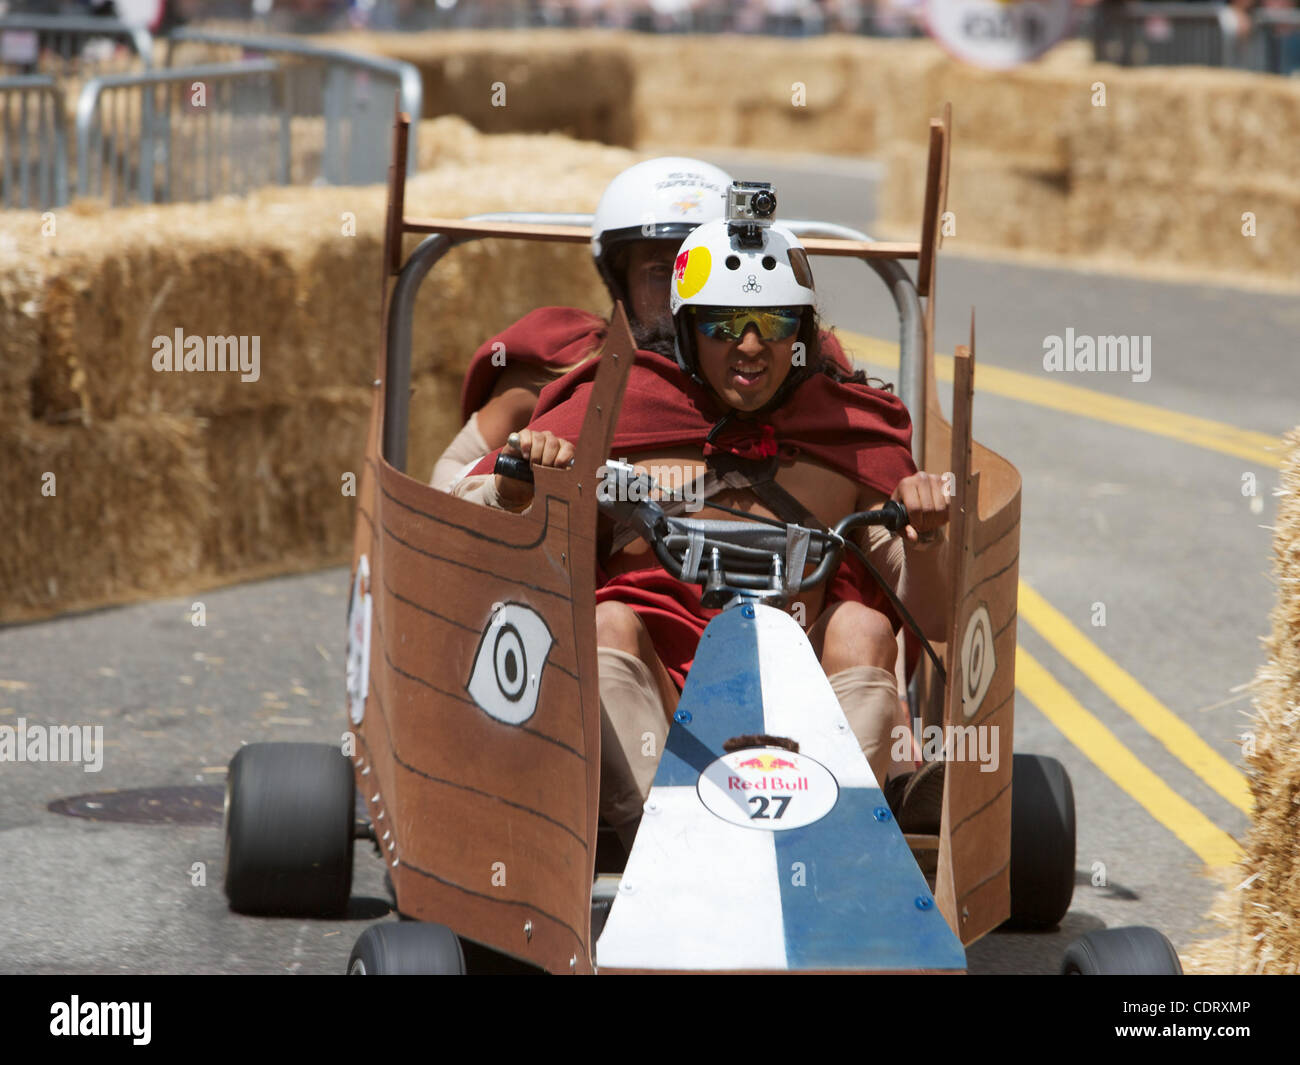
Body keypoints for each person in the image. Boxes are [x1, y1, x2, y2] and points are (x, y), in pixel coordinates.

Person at [453, 190, 951, 847]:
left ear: (801, 336)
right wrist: (521, 489)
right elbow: (459, 527)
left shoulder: (852, 433)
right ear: (688, 333)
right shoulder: (613, 411)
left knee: (862, 624)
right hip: (650, 703)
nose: (749, 347)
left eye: (772, 326)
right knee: (606, 621)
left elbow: (933, 618)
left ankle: (836, 848)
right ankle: (670, 848)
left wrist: (926, 538)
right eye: (722, 325)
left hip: (793, 711)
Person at [430, 156, 861, 492]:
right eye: (662, 270)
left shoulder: (790, 361)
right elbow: (451, 474)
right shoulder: (568, 366)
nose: (679, 290)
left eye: (698, 270)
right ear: (619, 279)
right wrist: (512, 483)